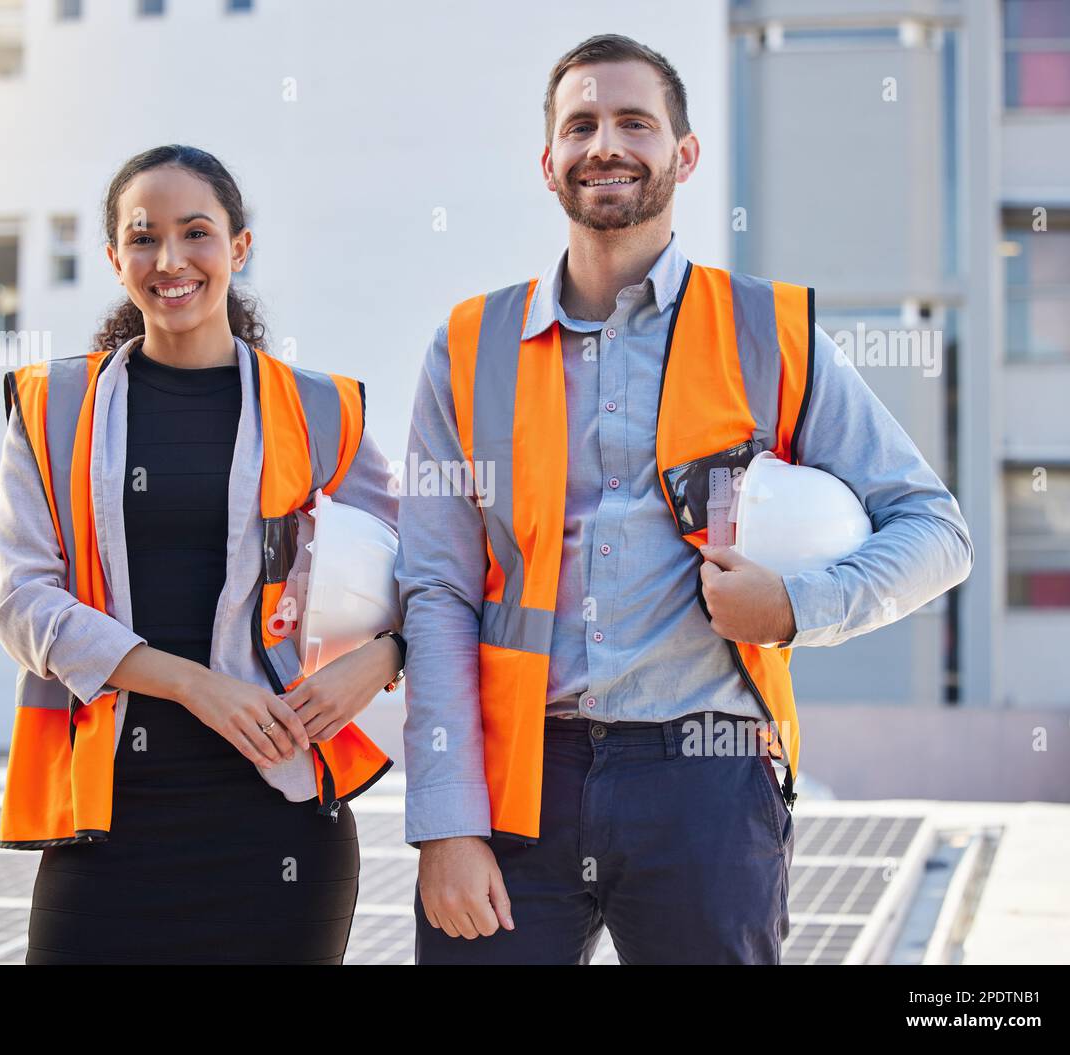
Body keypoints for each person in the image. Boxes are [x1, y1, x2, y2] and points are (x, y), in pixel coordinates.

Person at [394, 35, 973, 965]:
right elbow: (437, 591)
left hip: (707, 779)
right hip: (515, 783)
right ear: (548, 162)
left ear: (684, 153)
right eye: (580, 125)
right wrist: (445, 821)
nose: (605, 144)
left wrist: (794, 607)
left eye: (635, 122)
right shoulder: (467, 346)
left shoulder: (766, 331)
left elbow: (936, 529)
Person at [0, 144, 404, 965]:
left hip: (278, 823)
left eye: (196, 232)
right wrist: (189, 683)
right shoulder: (52, 405)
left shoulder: (320, 410)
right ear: (114, 259)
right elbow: (20, 601)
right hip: (107, 822)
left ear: (239, 248)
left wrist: (383, 658)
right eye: (143, 238)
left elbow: (427, 574)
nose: (169, 260)